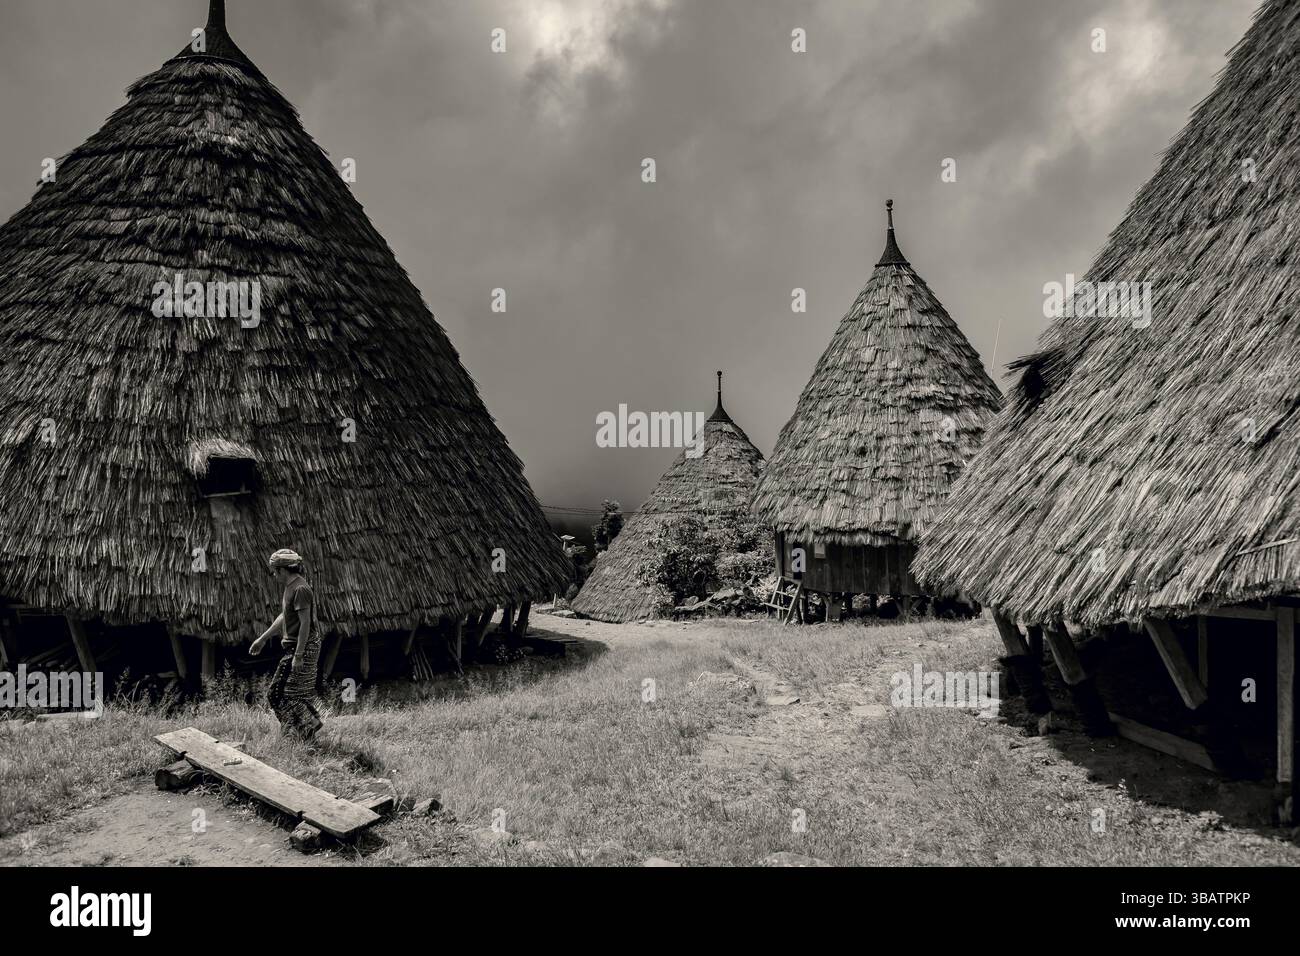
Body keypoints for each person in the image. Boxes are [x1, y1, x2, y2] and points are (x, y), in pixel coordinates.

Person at [250, 549, 323, 740]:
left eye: (275, 571)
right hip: (296, 646)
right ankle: (301, 731)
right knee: (283, 693)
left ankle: (303, 729)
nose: (274, 575)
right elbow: (285, 617)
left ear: (283, 570)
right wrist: (263, 639)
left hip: (304, 647)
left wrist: (298, 655)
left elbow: (305, 623)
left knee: (282, 693)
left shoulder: (300, 589)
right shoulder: (291, 587)